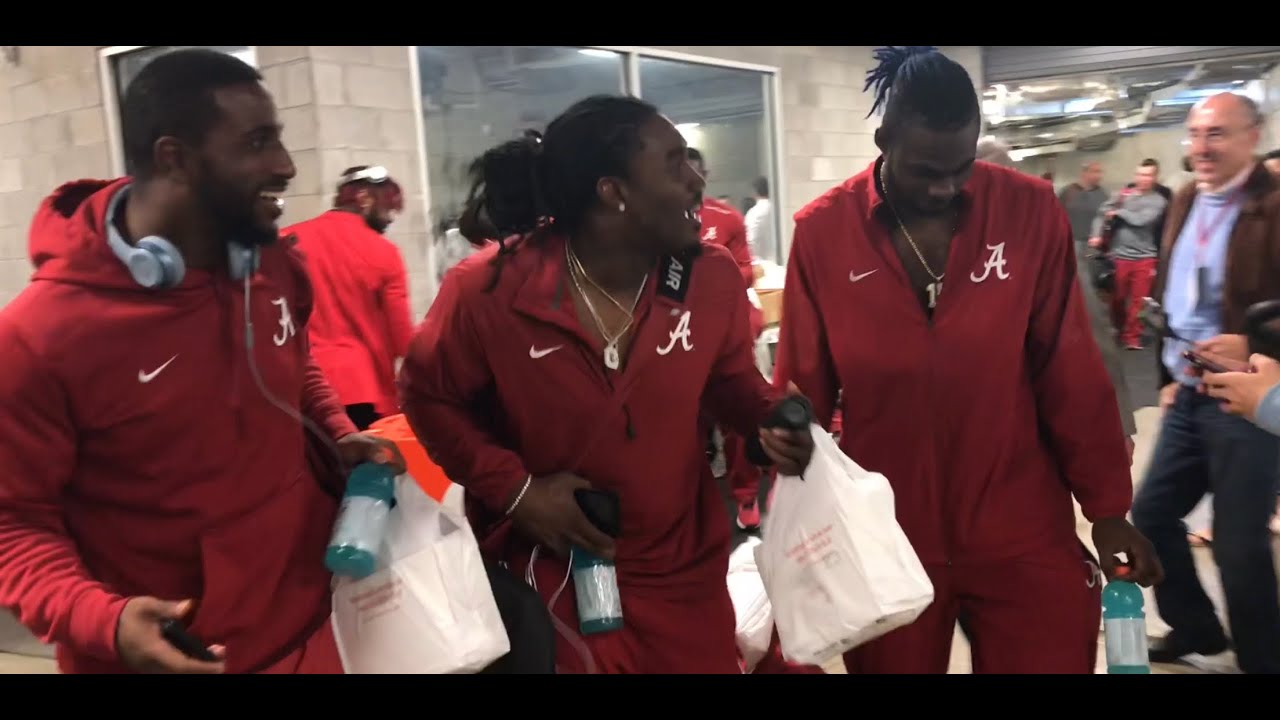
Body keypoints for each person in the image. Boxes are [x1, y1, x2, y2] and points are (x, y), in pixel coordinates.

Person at [0, 49, 402, 674]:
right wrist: (99, 620)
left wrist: (338, 432)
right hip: (181, 656)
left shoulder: (270, 266)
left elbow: (297, 366)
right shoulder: (40, 337)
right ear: (174, 158)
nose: (286, 166)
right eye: (257, 142)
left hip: (317, 625)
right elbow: (12, 527)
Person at [772, 46, 1162, 674]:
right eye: (924, 169)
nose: (945, 187)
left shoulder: (1029, 210)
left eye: (960, 166)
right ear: (882, 139)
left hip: (1019, 520)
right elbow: (800, 386)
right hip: (888, 533)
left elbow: (1069, 371)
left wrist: (1109, 510)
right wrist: (782, 436)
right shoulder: (824, 232)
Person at [397, 95, 814, 674]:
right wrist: (518, 491)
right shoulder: (488, 292)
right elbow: (425, 395)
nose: (698, 179)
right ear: (613, 192)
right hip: (556, 568)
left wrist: (767, 420)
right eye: (674, 164)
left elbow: (729, 381)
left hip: (684, 572)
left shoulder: (709, 277)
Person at [1133, 92, 1280, 673]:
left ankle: (1264, 658)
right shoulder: (1187, 196)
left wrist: (1257, 345)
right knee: (1151, 515)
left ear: (1253, 134)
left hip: (1247, 396)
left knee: (1240, 544)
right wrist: (1168, 373)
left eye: (1216, 134)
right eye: (1194, 135)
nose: (1201, 148)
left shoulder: (1273, 206)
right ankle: (1197, 629)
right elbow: (1174, 290)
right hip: (1191, 392)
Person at [977, 139, 1137, 458]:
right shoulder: (930, 247)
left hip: (1027, 421)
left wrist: (1116, 421)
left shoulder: (1040, 240)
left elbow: (1088, 331)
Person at [284, 165, 414, 430]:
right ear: (364, 198)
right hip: (363, 391)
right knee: (365, 470)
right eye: (387, 207)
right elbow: (403, 341)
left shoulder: (287, 239)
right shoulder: (384, 252)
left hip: (298, 386)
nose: (389, 218)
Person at [686, 147, 766, 530]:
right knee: (686, 423)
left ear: (705, 173)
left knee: (738, 418)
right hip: (677, 338)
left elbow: (747, 270)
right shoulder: (652, 221)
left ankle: (746, 496)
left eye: (694, 171)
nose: (688, 180)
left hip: (724, 331)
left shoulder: (725, 217)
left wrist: (718, 279)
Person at [1088, 160, 1168, 350]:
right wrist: (1097, 235)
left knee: (1139, 302)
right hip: (1119, 256)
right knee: (1116, 298)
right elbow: (1102, 214)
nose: (1143, 179)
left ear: (1155, 178)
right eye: (1140, 174)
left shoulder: (1159, 200)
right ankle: (1118, 328)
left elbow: (1141, 219)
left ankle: (1132, 336)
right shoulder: (1121, 195)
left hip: (1145, 258)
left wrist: (1118, 212)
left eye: (1148, 175)